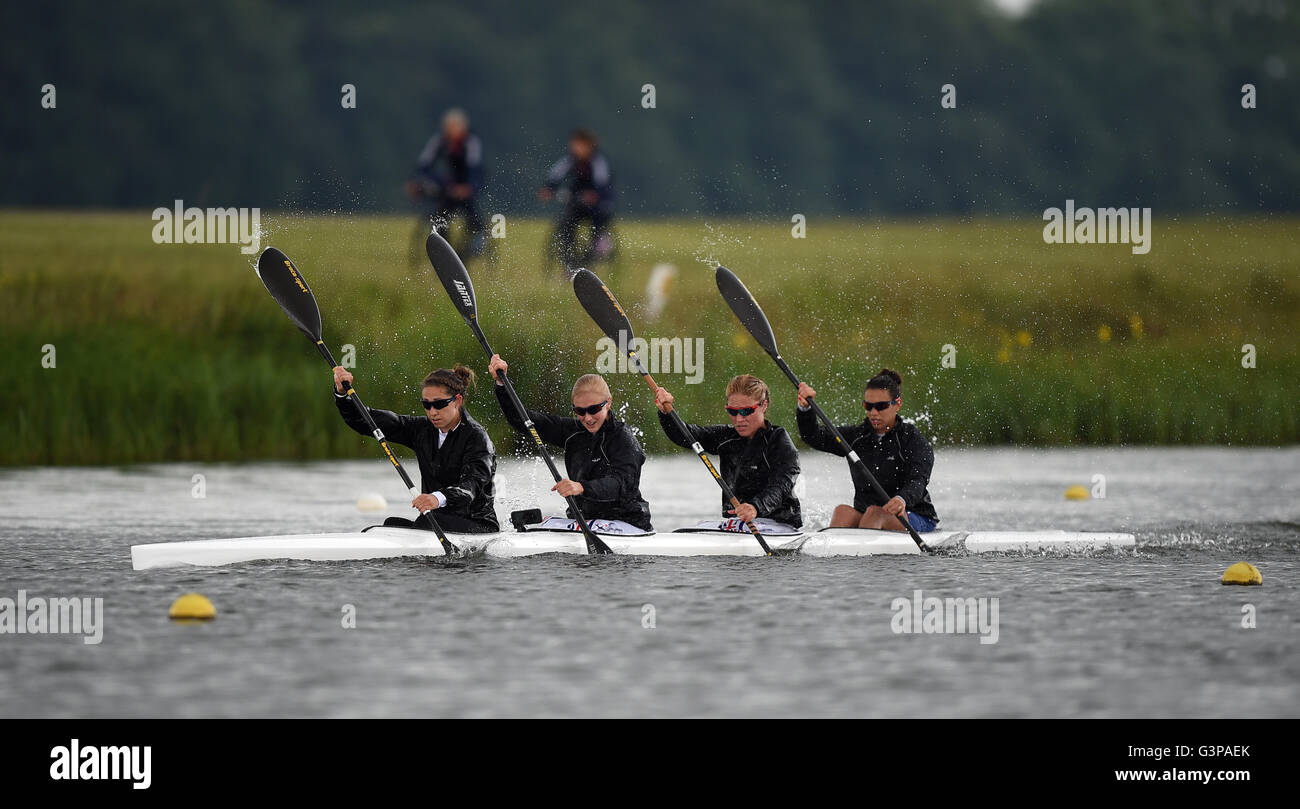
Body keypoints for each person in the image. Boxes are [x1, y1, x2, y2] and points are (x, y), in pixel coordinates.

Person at [488, 354, 652, 532]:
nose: (587, 418)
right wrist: (502, 384)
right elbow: (524, 421)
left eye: (594, 409)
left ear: (608, 403)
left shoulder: (624, 439)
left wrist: (582, 487)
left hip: (629, 523)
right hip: (584, 521)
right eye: (580, 411)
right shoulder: (572, 432)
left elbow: (621, 484)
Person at [332, 364, 498, 533]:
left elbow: (472, 486)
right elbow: (366, 421)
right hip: (434, 522)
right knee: (390, 524)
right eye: (426, 405)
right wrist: (342, 394)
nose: (432, 412)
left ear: (457, 401)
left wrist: (438, 498)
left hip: (478, 525)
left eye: (439, 404)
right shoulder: (421, 429)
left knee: (424, 524)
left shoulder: (477, 438)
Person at [796, 368, 939, 532]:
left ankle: (867, 555)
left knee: (875, 514)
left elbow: (918, 481)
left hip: (914, 516)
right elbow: (813, 436)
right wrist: (805, 409)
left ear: (897, 404)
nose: (873, 413)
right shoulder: (857, 437)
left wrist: (902, 499)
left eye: (881, 406)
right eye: (868, 406)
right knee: (843, 512)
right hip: (868, 516)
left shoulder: (912, 439)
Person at [654, 374, 802, 532]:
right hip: (740, 524)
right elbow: (686, 436)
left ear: (763, 405)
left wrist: (755, 507)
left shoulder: (778, 440)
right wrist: (666, 413)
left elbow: (782, 485)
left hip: (779, 523)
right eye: (732, 411)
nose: (738, 419)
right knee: (682, 532)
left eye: (746, 411)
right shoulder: (726, 437)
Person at [407, 108, 487, 262]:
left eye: (454, 127)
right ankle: (444, 249)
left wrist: (468, 187)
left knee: (474, 219)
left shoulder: (471, 142)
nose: (450, 131)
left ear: (462, 128)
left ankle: (472, 248)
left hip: (468, 184)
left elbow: (474, 167)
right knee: (440, 217)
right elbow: (424, 164)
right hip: (449, 186)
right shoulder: (440, 141)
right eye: (448, 127)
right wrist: (416, 181)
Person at [539, 128, 615, 273]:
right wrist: (548, 189)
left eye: (580, 145)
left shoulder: (598, 161)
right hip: (578, 202)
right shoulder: (570, 160)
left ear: (588, 146)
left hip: (599, 203)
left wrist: (594, 194)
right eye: (574, 145)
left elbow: (602, 183)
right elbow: (556, 176)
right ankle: (568, 263)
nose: (576, 149)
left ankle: (599, 242)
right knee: (565, 223)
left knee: (599, 216)